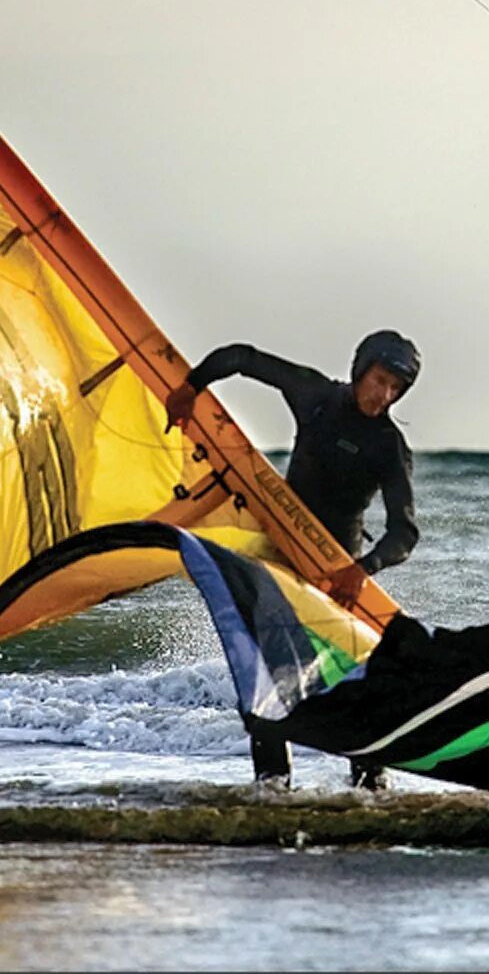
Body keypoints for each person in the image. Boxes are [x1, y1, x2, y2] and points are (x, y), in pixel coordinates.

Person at [165, 330, 421, 791]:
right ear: (361, 370)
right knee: (266, 671)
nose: (383, 396)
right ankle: (272, 788)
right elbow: (242, 357)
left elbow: (405, 532)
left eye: (395, 389)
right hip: (281, 555)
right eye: (380, 380)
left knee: (352, 684)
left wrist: (362, 571)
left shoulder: (388, 445)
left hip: (337, 573)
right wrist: (192, 386)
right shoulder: (316, 396)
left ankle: (370, 790)